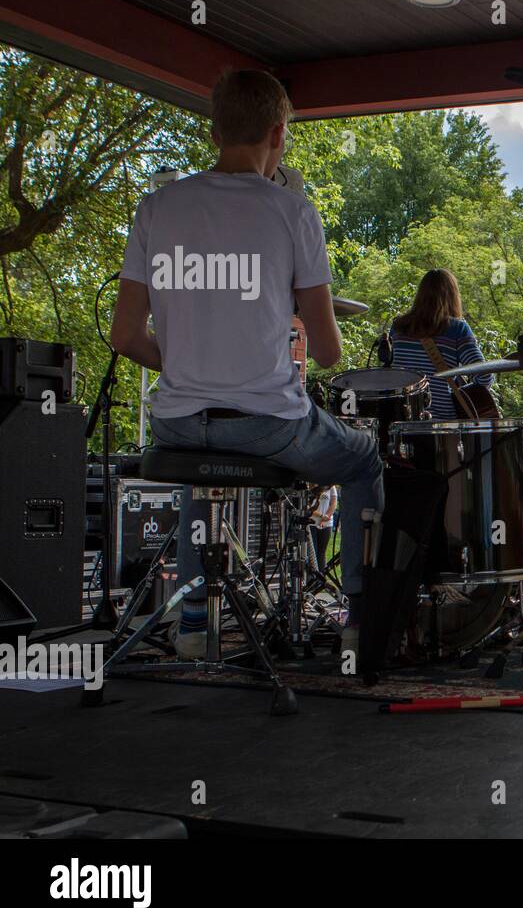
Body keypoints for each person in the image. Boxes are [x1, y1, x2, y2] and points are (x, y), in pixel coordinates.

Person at [112, 68, 382, 661]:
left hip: (177, 423)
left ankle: (190, 624)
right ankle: (361, 624)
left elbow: (124, 336)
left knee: (200, 473)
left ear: (214, 131)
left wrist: (184, 362)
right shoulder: (293, 212)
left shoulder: (156, 207)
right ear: (278, 133)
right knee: (363, 459)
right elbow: (331, 351)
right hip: (266, 423)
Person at [389, 268, 493, 418]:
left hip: (401, 419)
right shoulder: (457, 329)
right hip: (441, 425)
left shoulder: (398, 327)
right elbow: (484, 378)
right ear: (452, 296)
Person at [309, 484, 338, 572]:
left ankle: (321, 579)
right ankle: (312, 579)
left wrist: (327, 516)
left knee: (322, 553)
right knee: (312, 554)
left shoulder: (331, 486)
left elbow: (334, 503)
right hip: (311, 523)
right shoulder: (309, 483)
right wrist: (321, 516)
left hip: (326, 523)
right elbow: (307, 507)